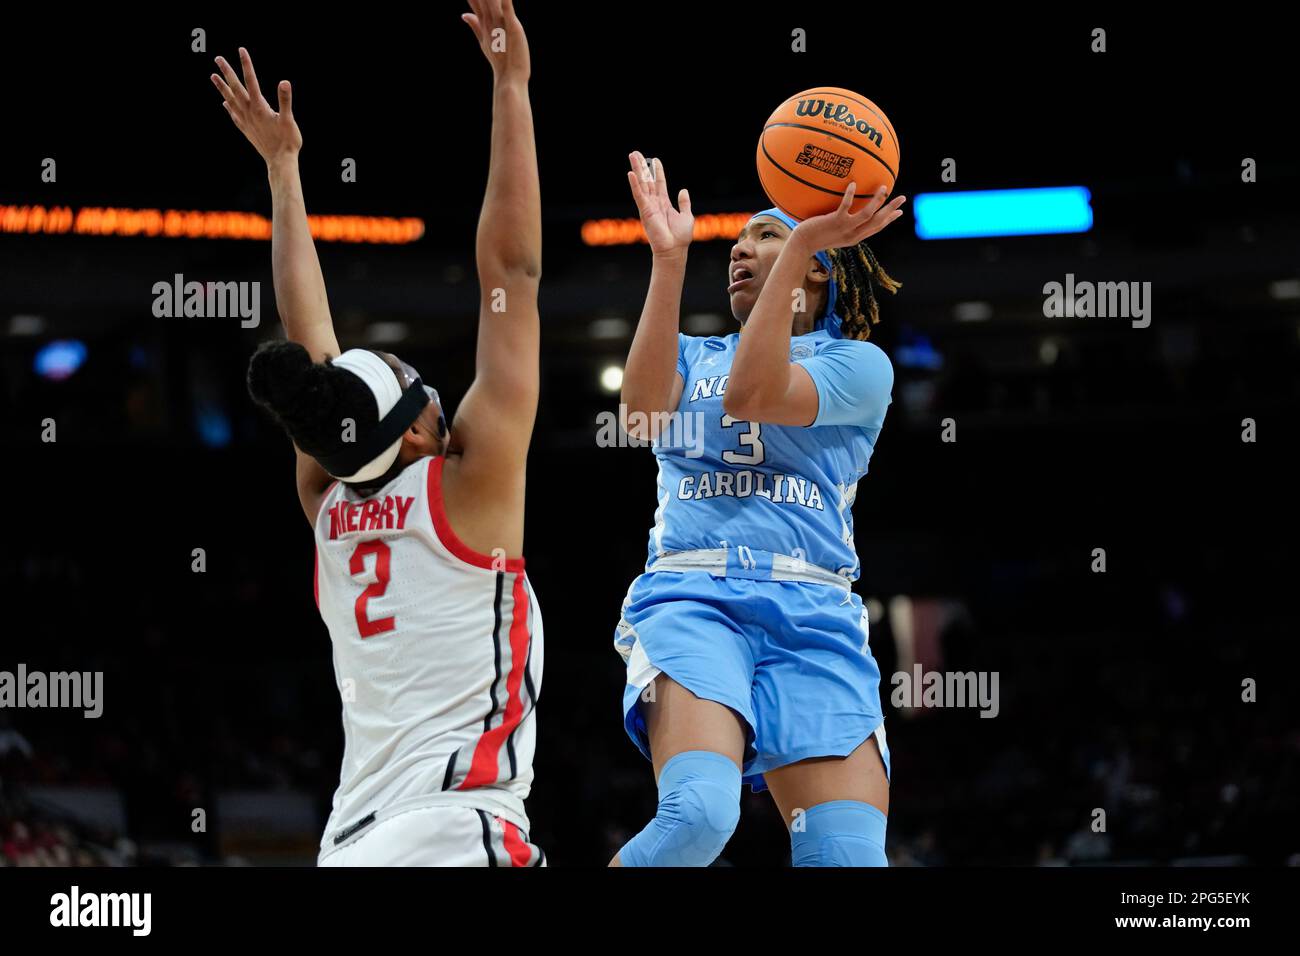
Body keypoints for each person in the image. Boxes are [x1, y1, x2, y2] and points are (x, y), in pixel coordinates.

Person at [213, 0, 545, 865]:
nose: (445, 398)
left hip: (350, 841)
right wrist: (512, 85)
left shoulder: (326, 499)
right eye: (426, 392)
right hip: (453, 826)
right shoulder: (469, 489)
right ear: (414, 438)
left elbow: (309, 350)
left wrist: (285, 173)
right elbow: (509, 270)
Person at [612, 151, 906, 866]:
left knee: (847, 860)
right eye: (740, 240)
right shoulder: (689, 354)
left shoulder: (858, 366)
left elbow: (753, 393)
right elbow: (641, 422)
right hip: (696, 594)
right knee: (699, 816)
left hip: (816, 611)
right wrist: (668, 260)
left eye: (767, 236)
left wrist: (805, 233)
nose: (742, 248)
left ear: (821, 267)